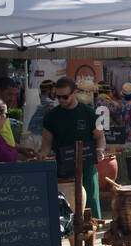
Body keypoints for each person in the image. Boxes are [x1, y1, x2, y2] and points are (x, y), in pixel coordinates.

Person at [40, 76, 107, 220]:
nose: (61, 100)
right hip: (64, 172)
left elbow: (100, 137)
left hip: (87, 170)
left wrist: (100, 150)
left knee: (91, 215)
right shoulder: (51, 116)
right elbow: (46, 142)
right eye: (58, 97)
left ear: (74, 92)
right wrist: (42, 155)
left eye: (65, 96)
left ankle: (90, 241)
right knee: (67, 216)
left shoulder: (91, 113)